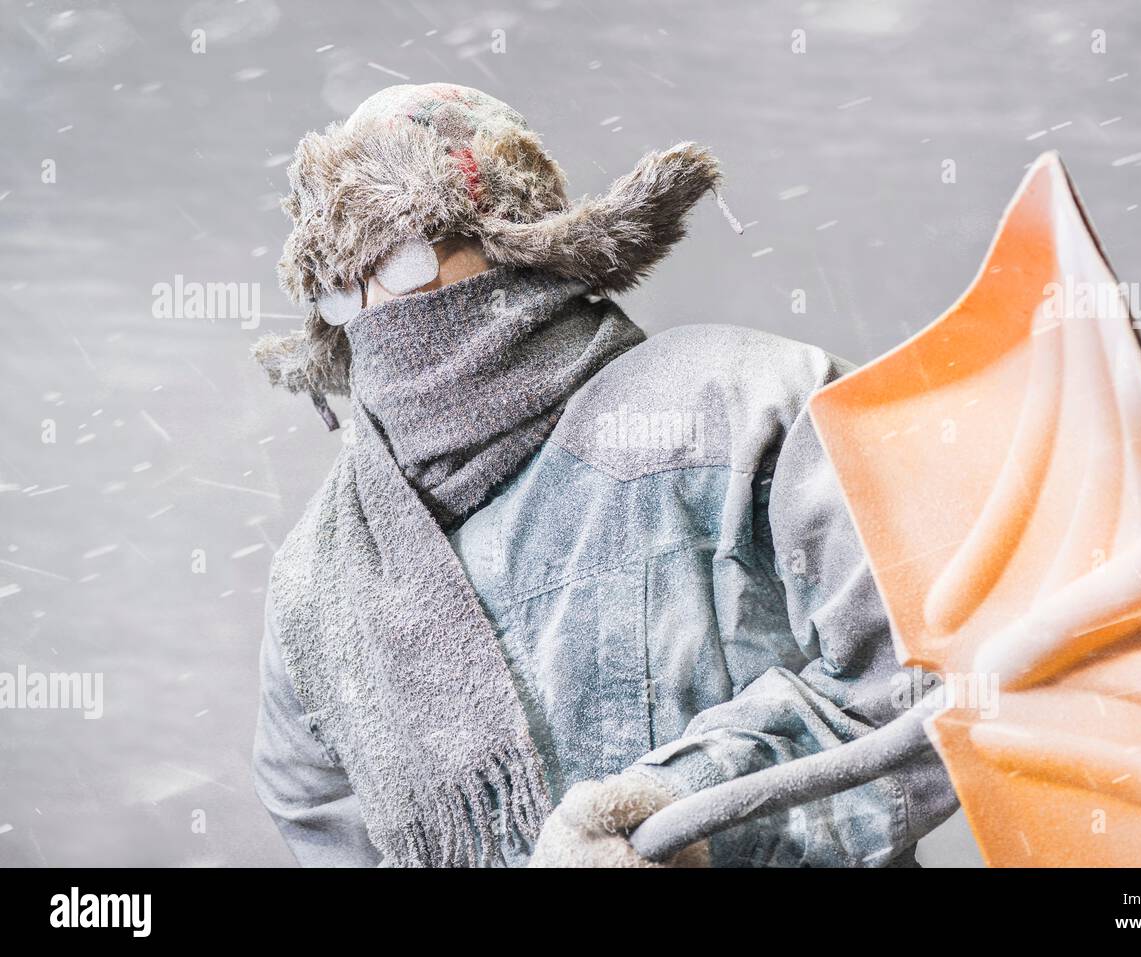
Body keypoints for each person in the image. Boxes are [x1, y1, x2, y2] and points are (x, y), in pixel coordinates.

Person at [251, 82, 956, 867]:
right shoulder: (318, 587)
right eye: (343, 289)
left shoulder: (743, 405)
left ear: (515, 236)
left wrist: (689, 812)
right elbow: (326, 829)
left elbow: (934, 680)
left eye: (408, 261)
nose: (378, 310)